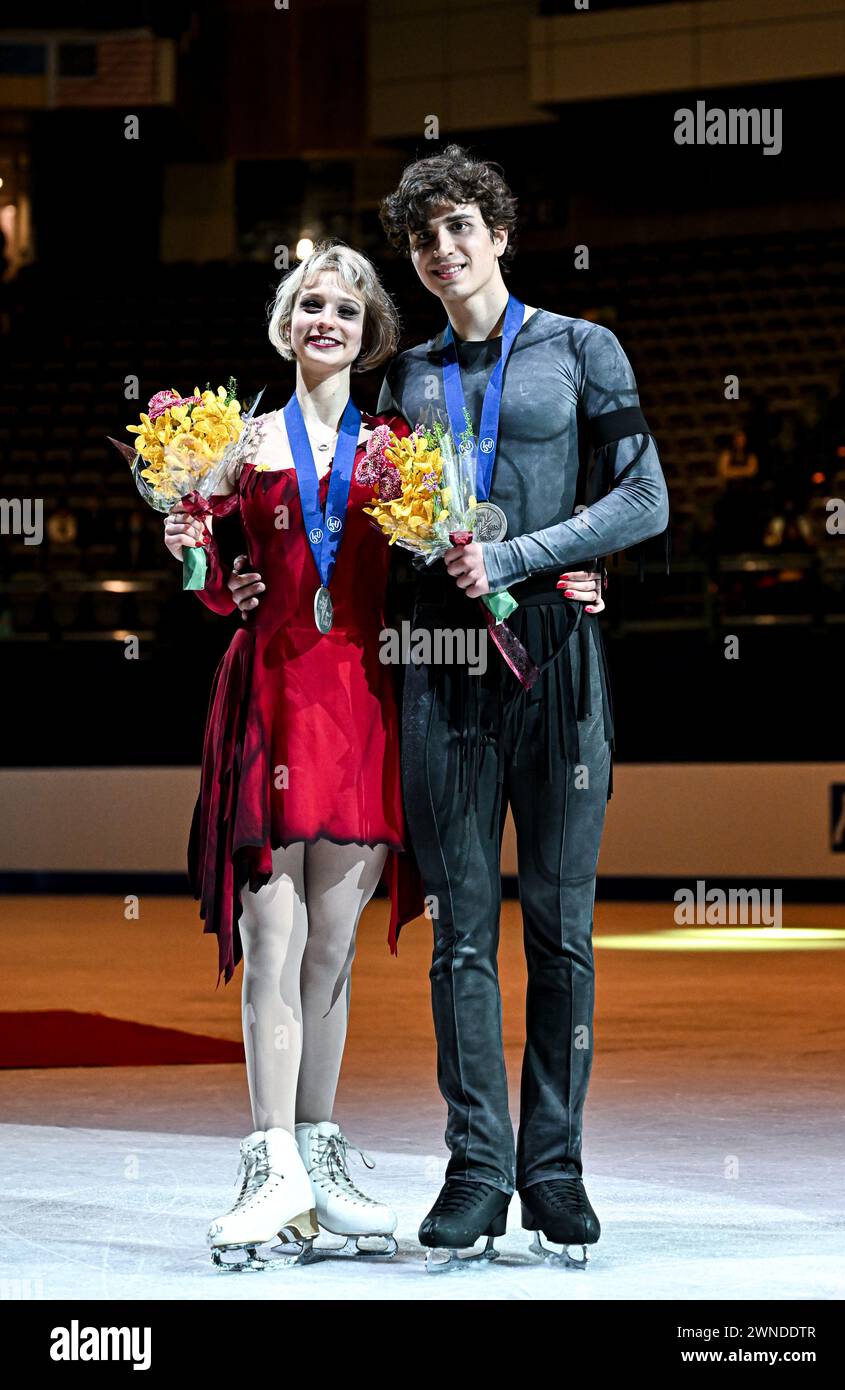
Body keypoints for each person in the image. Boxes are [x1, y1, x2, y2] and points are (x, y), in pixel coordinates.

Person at [373, 144, 669, 1267]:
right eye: (422, 238)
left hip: (556, 651)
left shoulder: (580, 349)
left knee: (560, 930)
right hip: (442, 656)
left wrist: (534, 555)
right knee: (460, 935)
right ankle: (474, 1169)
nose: (441, 250)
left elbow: (642, 497)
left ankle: (553, 1171)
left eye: (459, 227)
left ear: (498, 233)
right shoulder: (402, 376)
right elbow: (379, 521)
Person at [163, 242, 426, 1269]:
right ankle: (266, 1160)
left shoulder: (396, 453)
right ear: (286, 323)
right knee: (268, 942)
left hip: (357, 702)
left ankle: (316, 1164)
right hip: (269, 695)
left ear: (369, 338)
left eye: (347, 311)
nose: (327, 320)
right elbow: (211, 583)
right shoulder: (231, 445)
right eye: (310, 304)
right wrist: (195, 546)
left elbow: (431, 567)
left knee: (331, 948)